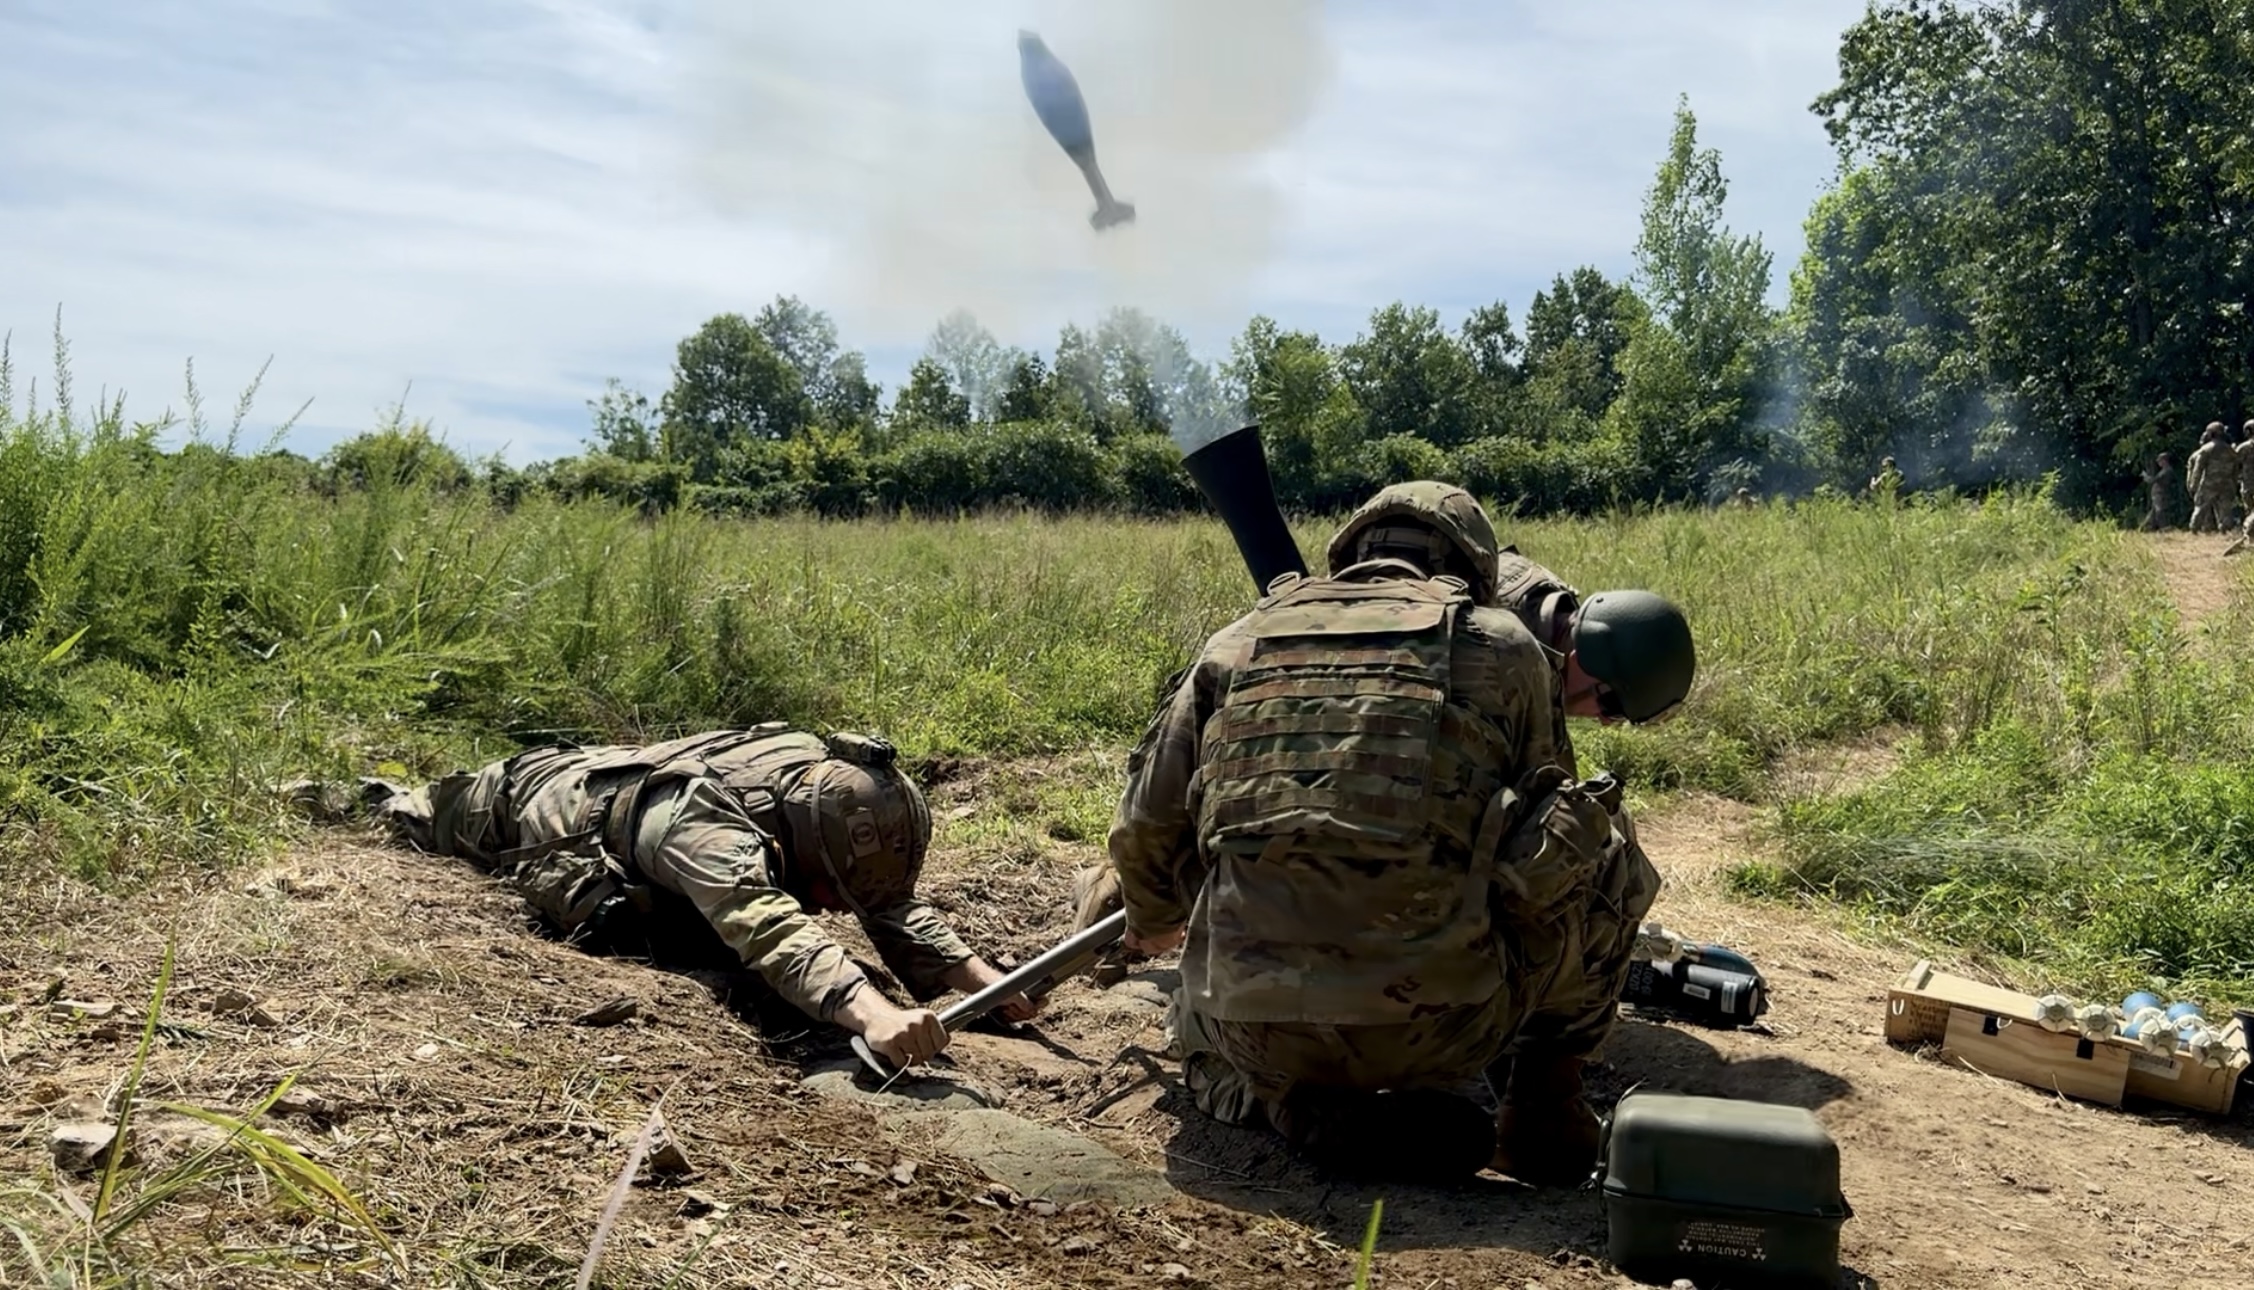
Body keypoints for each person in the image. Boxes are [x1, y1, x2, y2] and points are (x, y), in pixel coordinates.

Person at [1091, 481, 1692, 1187]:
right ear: (1473, 567)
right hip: (1444, 1032)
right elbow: (1554, 838)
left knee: (1223, 993)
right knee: (1603, 837)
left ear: (1348, 550)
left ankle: (1281, 1098)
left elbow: (1144, 827)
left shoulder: (1235, 642)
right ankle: (1540, 1110)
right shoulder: (1507, 649)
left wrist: (1160, 922)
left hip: (1247, 1025)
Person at [372, 725, 1036, 1070]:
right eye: (828, 894)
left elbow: (882, 900)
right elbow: (769, 924)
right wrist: (873, 1014)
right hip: (509, 803)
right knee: (396, 811)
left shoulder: (815, 784)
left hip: (613, 771)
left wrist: (977, 977)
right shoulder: (707, 831)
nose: (836, 911)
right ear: (794, 849)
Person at [2187, 423, 2237, 533]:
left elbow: (2198, 469)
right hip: (2226, 483)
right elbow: (2235, 470)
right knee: (2225, 508)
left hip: (2209, 483)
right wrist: (2234, 484)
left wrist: (2193, 485)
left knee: (2200, 506)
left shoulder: (2206, 449)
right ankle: (2225, 530)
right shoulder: (2231, 450)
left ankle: (2194, 529)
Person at [2142, 453, 2176, 531]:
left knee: (2159, 510)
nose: (2158, 462)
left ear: (2165, 461)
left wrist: (2145, 476)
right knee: (2154, 512)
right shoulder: (2165, 470)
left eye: (2160, 460)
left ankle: (2164, 527)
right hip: (2158, 493)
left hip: (2160, 493)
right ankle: (2146, 527)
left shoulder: (2166, 471)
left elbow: (2153, 480)